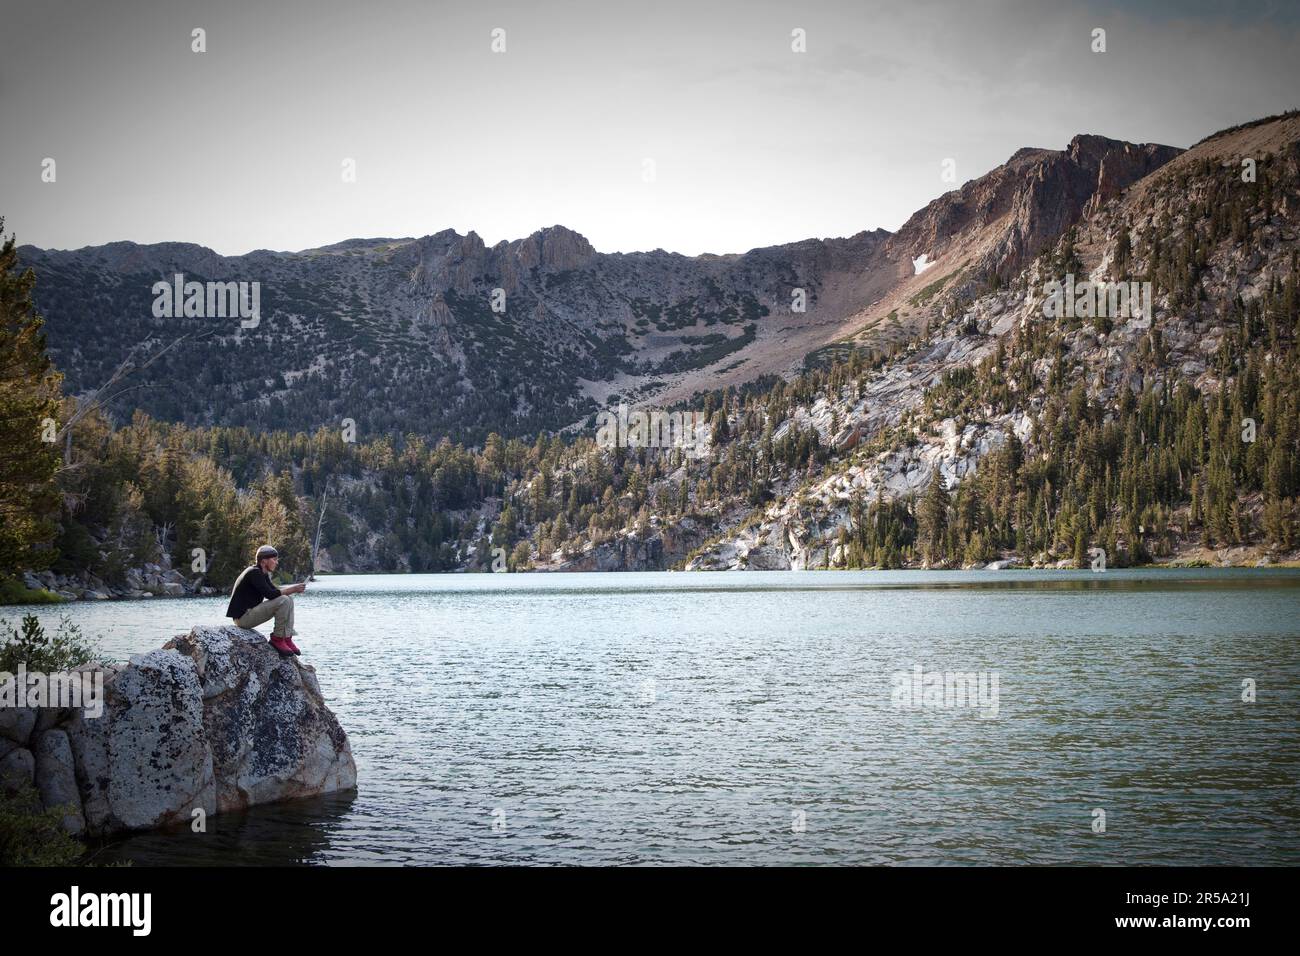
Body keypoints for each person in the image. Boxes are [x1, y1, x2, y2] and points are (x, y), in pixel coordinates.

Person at [225, 545, 307, 656]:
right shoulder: (254, 572)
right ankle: (277, 639)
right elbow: (270, 595)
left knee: (288, 599)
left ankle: (286, 638)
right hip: (243, 618)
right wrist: (293, 589)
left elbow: (274, 590)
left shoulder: (262, 573)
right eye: (274, 559)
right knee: (284, 600)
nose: (276, 562)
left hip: (250, 613)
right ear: (264, 561)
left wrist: (293, 590)